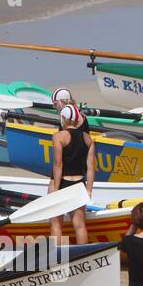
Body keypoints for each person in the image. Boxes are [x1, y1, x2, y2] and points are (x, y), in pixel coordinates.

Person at [47, 103, 94, 244]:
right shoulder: (88, 138)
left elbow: (58, 164)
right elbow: (90, 167)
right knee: (79, 225)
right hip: (79, 183)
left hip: (62, 181)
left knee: (56, 224)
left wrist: (55, 187)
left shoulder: (59, 137)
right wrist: (89, 190)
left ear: (65, 119)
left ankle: (57, 258)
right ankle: (82, 257)